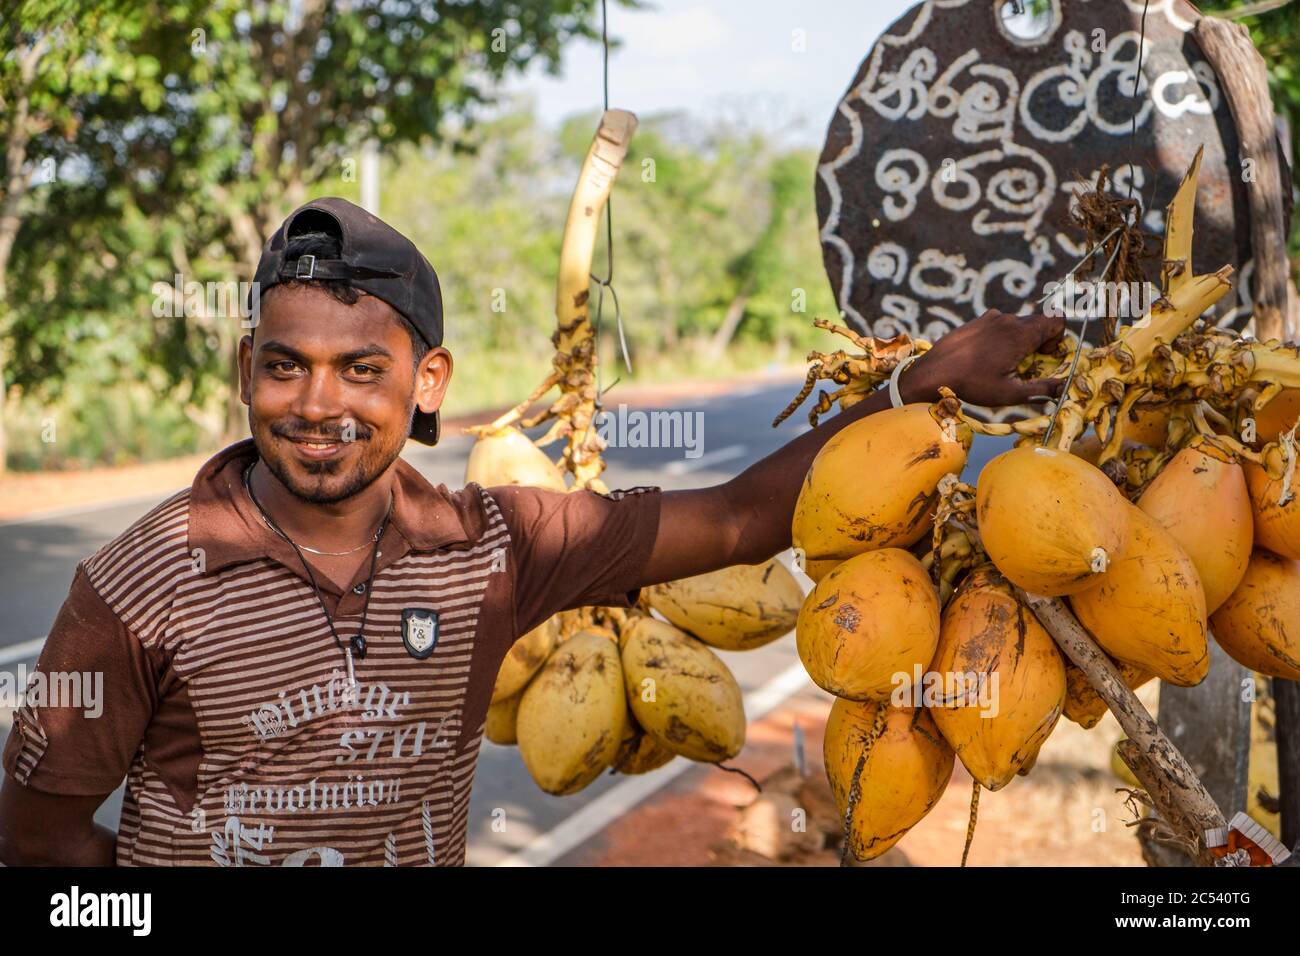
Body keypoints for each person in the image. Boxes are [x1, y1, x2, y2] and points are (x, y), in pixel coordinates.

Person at [0, 198, 1063, 866]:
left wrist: (921, 380)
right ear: (247, 374)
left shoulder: (490, 547)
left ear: (428, 384)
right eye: (285, 364)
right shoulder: (139, 580)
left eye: (361, 368)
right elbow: (39, 852)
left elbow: (740, 517)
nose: (315, 401)